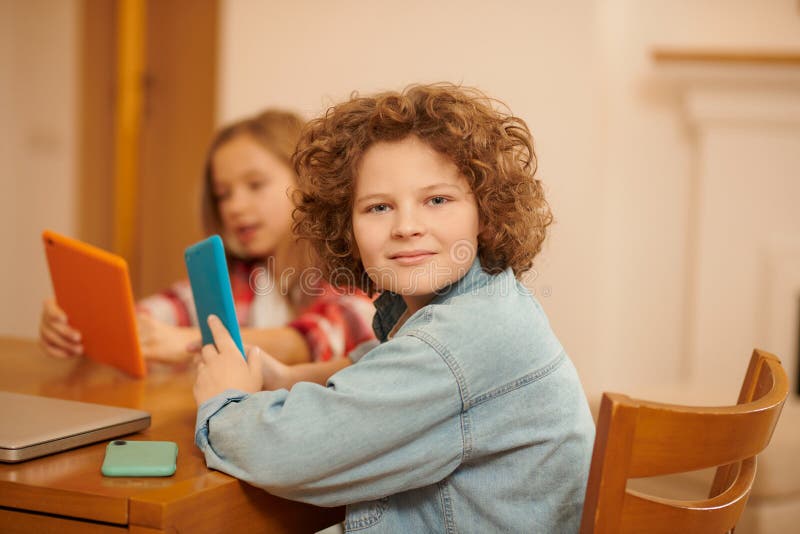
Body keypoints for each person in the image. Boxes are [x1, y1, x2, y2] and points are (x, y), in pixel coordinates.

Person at [192, 84, 595, 532]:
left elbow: (289, 455)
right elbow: (385, 368)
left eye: (437, 200)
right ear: (347, 227)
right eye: (378, 207)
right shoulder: (484, 304)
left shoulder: (454, 345)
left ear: (485, 212)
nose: (406, 226)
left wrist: (223, 402)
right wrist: (287, 378)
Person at [39, 110, 375, 381]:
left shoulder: (348, 265)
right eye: (222, 194)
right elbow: (166, 309)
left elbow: (331, 334)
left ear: (309, 181)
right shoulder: (237, 275)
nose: (235, 206)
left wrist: (190, 340)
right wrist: (81, 322)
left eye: (255, 185)